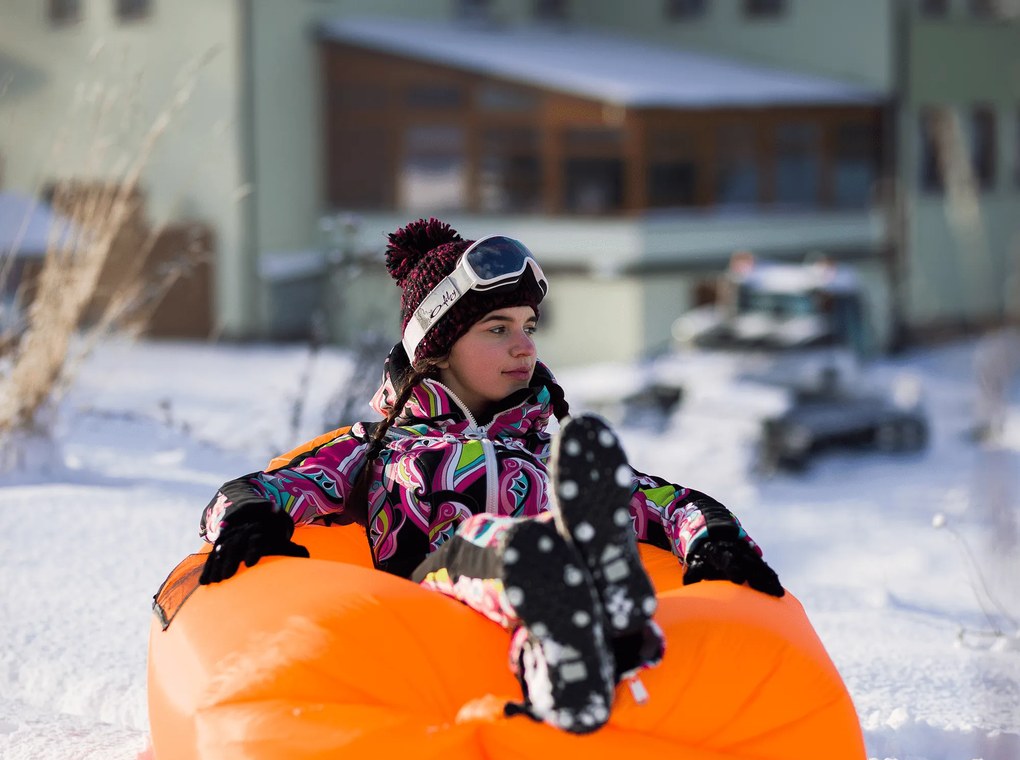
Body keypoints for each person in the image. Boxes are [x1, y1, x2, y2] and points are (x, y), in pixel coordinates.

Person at [197, 218, 783, 734]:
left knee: (582, 512)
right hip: (423, 633)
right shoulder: (376, 450)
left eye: (529, 326)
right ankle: (559, 598)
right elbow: (265, 489)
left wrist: (713, 539)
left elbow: (664, 500)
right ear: (438, 347)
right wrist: (248, 519)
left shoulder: (553, 458)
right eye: (497, 329)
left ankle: (580, 640)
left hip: (526, 646)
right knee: (485, 548)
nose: (525, 347)